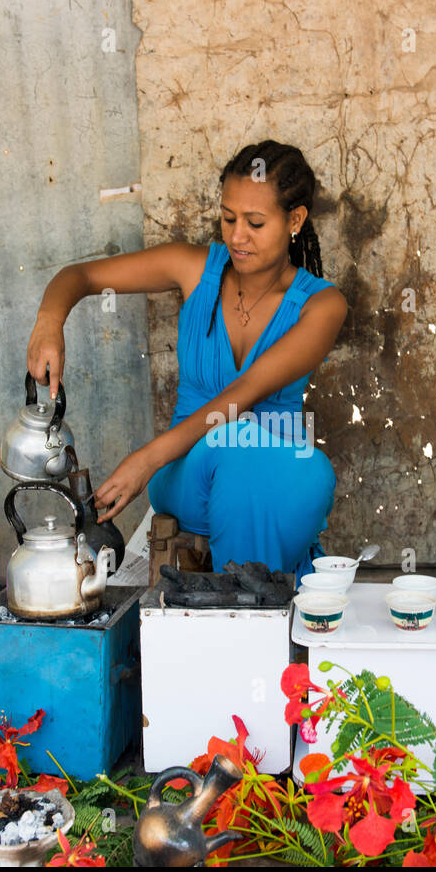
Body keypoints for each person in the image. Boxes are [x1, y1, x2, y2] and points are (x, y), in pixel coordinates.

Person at [27, 140, 347, 577]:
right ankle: (247, 608)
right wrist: (50, 320)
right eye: (228, 217)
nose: (236, 236)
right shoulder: (194, 268)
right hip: (186, 469)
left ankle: (239, 604)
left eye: (255, 223)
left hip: (261, 469)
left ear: (295, 220)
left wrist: (145, 458)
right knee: (233, 449)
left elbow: (243, 394)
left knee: (309, 472)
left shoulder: (323, 305)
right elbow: (80, 276)